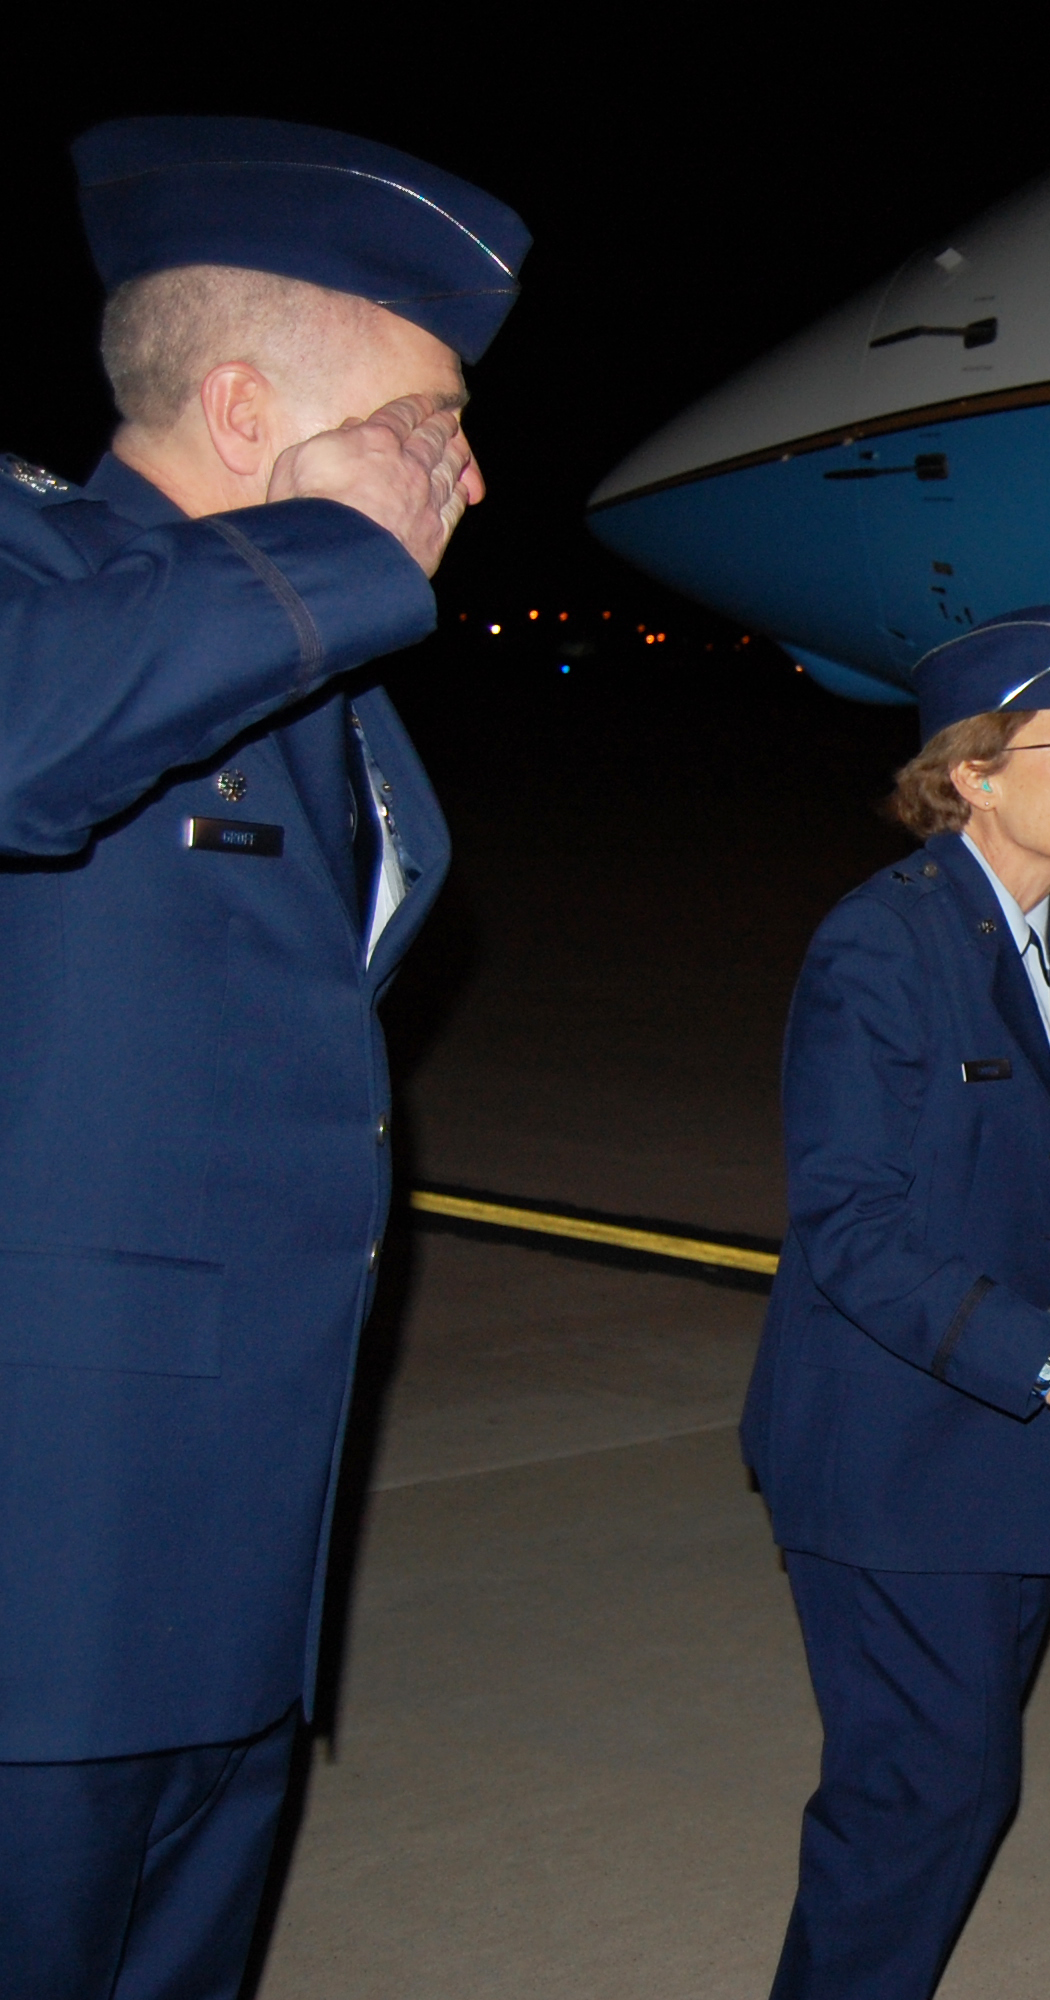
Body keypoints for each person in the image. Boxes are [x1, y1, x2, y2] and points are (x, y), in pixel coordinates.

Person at [0, 118, 522, 1998]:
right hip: (42, 1588)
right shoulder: (37, 568)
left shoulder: (324, 690)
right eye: (420, 416)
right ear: (243, 409)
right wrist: (330, 546)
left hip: (234, 1578)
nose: (462, 465)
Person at [744, 606, 1050, 2000]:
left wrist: (1048, 1381)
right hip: (887, 1444)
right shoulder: (885, 946)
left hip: (995, 1432)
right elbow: (850, 1228)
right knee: (920, 1801)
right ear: (974, 773)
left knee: (948, 1787)